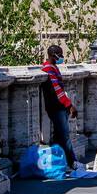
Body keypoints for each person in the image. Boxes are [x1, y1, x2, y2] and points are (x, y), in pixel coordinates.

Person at [39, 44, 77, 175]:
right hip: (56, 106)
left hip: (58, 106)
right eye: (59, 55)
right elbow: (57, 90)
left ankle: (59, 162)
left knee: (58, 136)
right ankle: (73, 162)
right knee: (65, 135)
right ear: (53, 55)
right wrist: (69, 105)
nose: (61, 57)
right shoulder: (49, 68)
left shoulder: (53, 67)